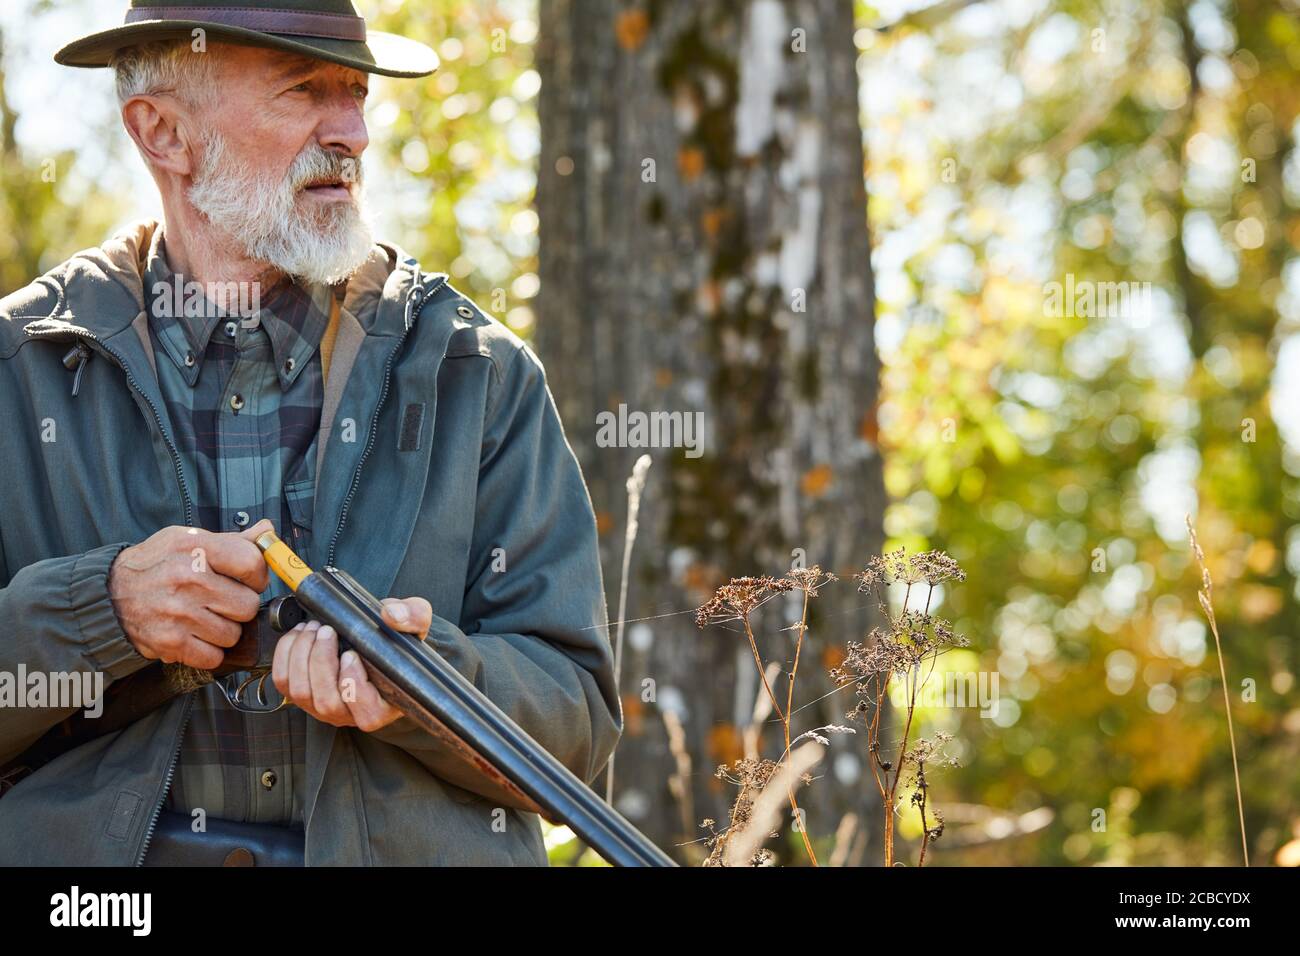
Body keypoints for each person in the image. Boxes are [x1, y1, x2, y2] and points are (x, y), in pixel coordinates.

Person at [0, 0, 620, 866]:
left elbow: (579, 733)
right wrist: (99, 613)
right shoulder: (14, 372)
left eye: (357, 94)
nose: (353, 133)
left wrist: (424, 685)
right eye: (303, 92)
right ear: (162, 133)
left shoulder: (480, 372)